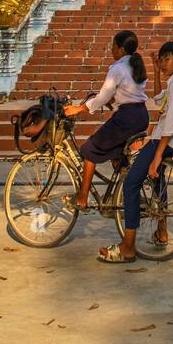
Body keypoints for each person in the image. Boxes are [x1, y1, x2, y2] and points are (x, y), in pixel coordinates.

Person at [98, 40, 173, 264]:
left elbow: (171, 121)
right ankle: (162, 231)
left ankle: (128, 246)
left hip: (164, 140)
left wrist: (157, 154)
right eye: (160, 59)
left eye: (167, 59)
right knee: (158, 181)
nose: (163, 63)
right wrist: (155, 70)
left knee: (132, 183)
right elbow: (158, 98)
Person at [63, 30, 149, 211]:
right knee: (118, 155)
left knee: (88, 150)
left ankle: (82, 198)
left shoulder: (117, 68)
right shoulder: (136, 65)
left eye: (113, 46)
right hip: (140, 115)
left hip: (126, 118)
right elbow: (123, 93)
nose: (111, 50)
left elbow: (103, 97)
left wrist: (79, 108)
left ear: (121, 49)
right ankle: (131, 193)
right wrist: (107, 100)